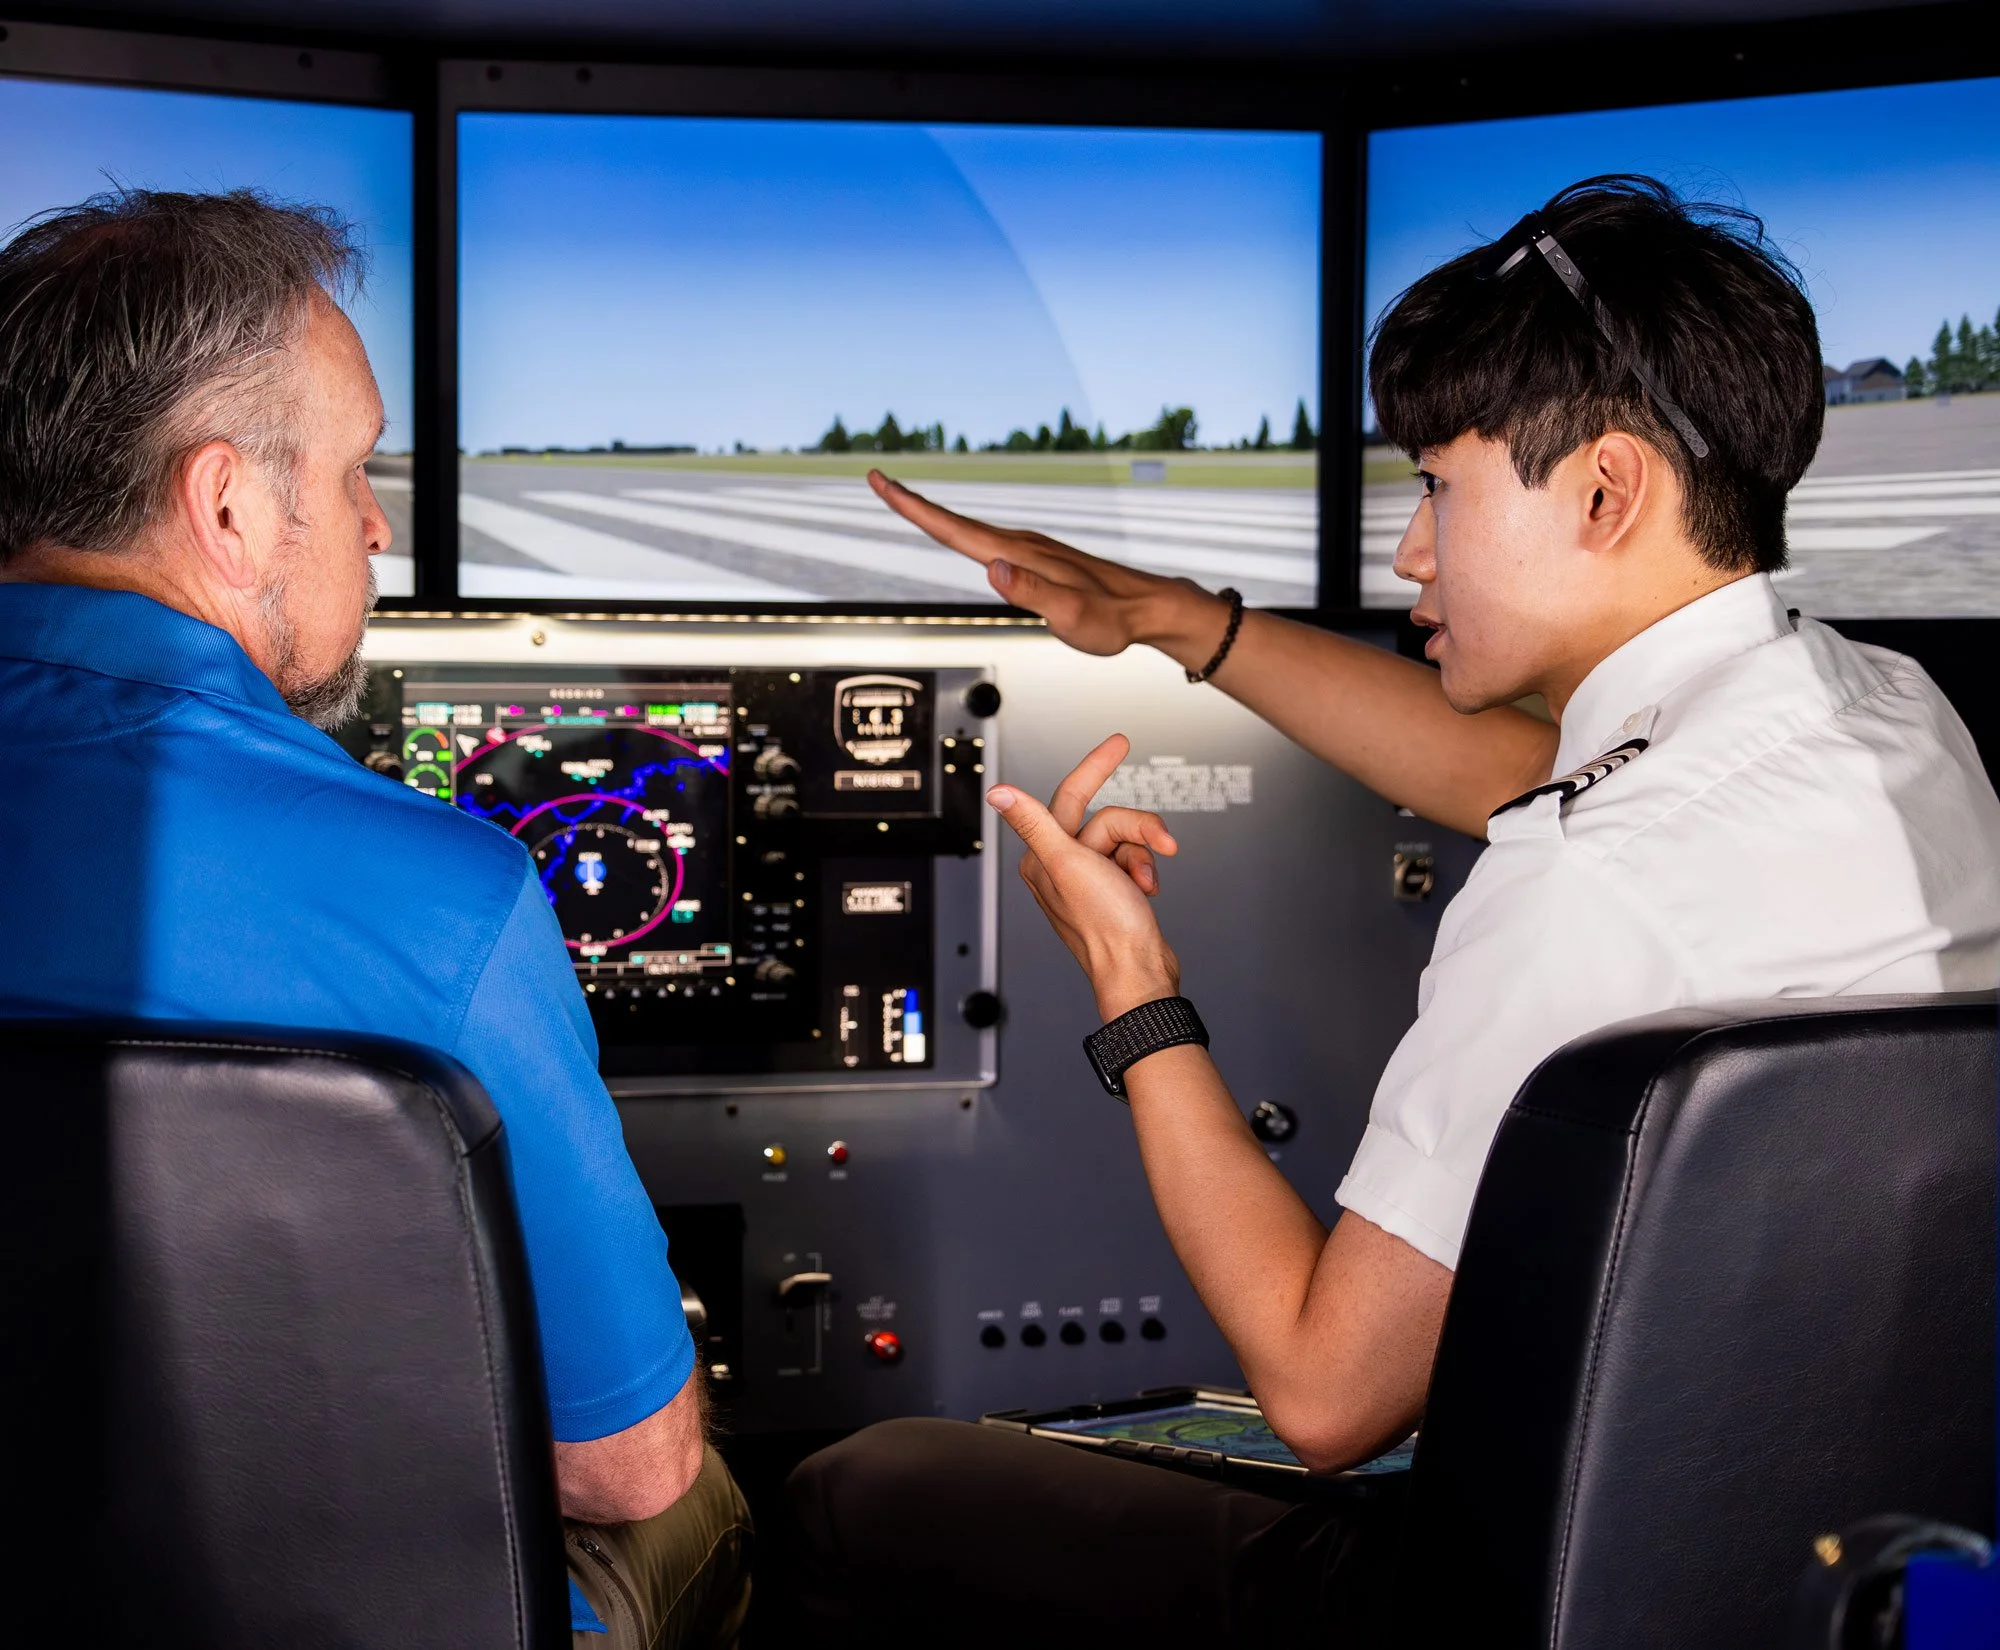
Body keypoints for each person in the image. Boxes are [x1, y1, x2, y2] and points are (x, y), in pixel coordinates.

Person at [784, 175, 2000, 1644]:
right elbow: (1518, 775)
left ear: (1607, 491)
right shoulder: (1890, 717)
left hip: (1522, 1592)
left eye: (1439, 487)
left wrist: (1130, 982)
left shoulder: (1586, 884)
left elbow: (1322, 1393)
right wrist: (1179, 620)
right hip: (1813, 1558)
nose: (1412, 552)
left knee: (857, 1486)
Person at [0, 190, 748, 1650]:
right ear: (226, 507)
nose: (375, 520)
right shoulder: (445, 899)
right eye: (353, 469)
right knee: (699, 1500)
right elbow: (625, 1462)